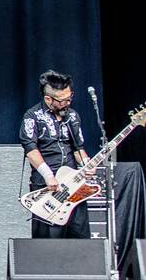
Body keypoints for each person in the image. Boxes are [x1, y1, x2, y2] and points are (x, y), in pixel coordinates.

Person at [19, 70, 95, 239]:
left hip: (73, 185)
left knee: (80, 237)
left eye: (70, 97)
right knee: (49, 242)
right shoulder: (32, 116)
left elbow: (78, 148)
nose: (67, 103)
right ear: (48, 99)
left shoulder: (73, 116)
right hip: (47, 187)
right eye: (63, 100)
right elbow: (31, 150)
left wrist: (86, 164)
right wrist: (48, 175)